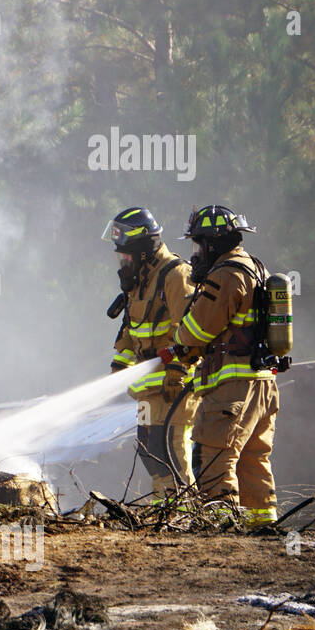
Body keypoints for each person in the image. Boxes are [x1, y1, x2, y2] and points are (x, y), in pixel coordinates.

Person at [160, 205, 279, 526]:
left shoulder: (225, 274)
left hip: (232, 390)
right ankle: (262, 527)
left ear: (213, 244)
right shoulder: (255, 267)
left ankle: (221, 529)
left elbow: (198, 329)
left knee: (212, 457)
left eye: (199, 246)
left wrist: (180, 338)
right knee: (252, 461)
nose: (195, 255)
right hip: (262, 385)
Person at [103, 207, 196, 498]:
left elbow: (189, 330)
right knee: (148, 450)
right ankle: (165, 507)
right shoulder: (139, 281)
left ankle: (186, 512)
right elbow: (131, 330)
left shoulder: (176, 274)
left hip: (174, 385)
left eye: (126, 254)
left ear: (143, 250)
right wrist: (119, 365)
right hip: (146, 390)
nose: (122, 261)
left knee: (172, 450)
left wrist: (177, 370)